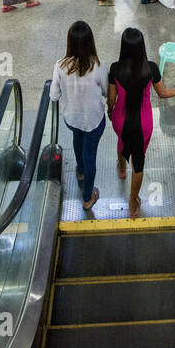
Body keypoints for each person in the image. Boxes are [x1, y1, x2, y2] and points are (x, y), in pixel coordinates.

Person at [108, 27, 175, 218]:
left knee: (122, 142)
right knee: (138, 163)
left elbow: (111, 99)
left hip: (120, 120)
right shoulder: (151, 68)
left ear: (123, 47)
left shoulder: (115, 69)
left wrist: (110, 111)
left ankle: (121, 168)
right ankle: (133, 200)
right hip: (143, 125)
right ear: (142, 46)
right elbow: (163, 94)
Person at [50, 21, 109, 211]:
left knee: (78, 138)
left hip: (72, 118)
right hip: (93, 119)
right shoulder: (99, 66)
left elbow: (54, 95)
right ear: (91, 41)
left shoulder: (60, 66)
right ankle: (88, 197)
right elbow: (106, 92)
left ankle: (81, 172)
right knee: (90, 154)